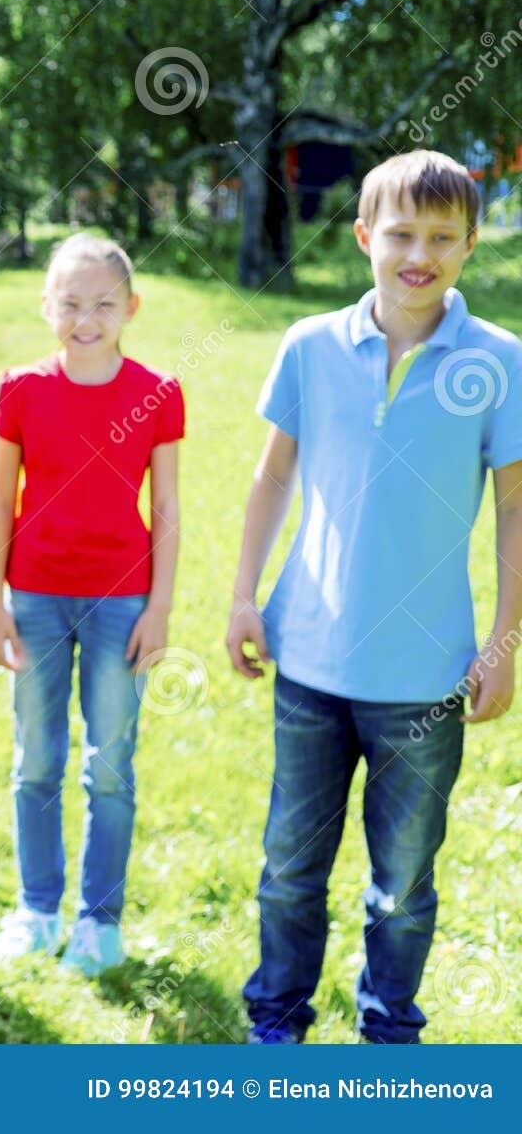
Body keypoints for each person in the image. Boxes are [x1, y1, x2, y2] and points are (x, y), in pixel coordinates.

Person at [227, 150, 522, 1044]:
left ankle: (388, 1035)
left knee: (402, 882)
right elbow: (272, 476)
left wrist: (504, 644)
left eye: (442, 237)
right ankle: (277, 1019)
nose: (418, 254)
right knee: (289, 866)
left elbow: (513, 508)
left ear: (472, 244)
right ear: (364, 237)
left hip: (424, 679)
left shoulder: (500, 361)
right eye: (400, 234)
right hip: (309, 661)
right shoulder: (310, 346)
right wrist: (244, 595)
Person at [0, 233, 183, 975]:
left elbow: (165, 508)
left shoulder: (157, 393)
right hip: (33, 595)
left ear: (130, 308)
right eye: (69, 302)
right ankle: (37, 910)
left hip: (121, 600)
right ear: (46, 306)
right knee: (36, 758)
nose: (85, 317)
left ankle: (99, 920)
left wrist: (159, 608)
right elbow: (0, 503)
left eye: (102, 303)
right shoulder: (21, 389)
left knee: (110, 765)